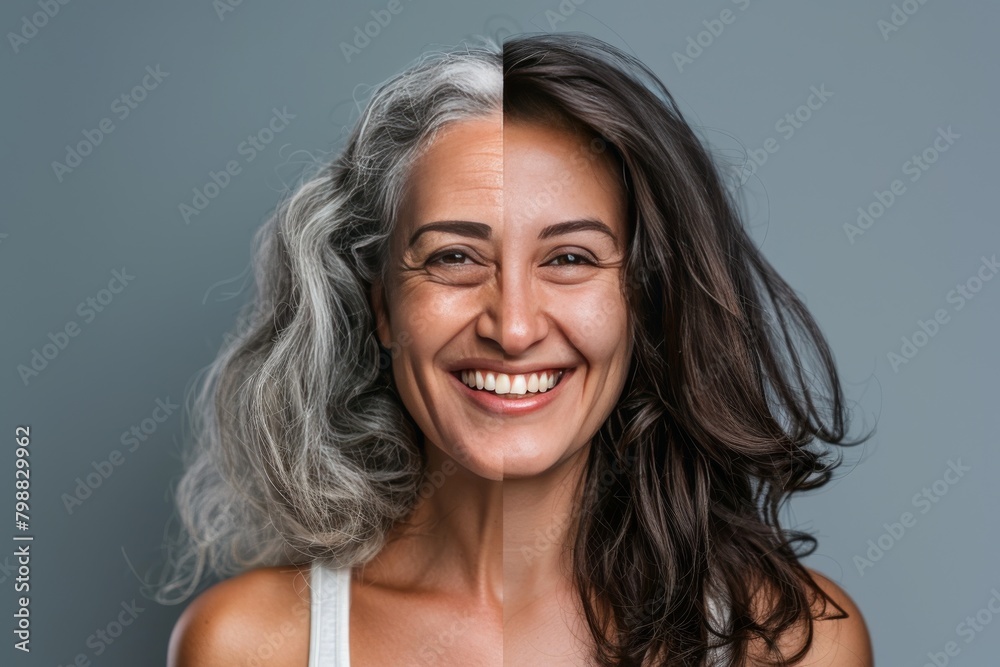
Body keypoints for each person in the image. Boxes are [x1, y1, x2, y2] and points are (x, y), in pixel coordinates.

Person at [163, 33, 874, 666]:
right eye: (452, 257)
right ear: (382, 307)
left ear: (645, 304)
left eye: (569, 257)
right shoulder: (251, 645)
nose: (513, 327)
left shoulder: (788, 643)